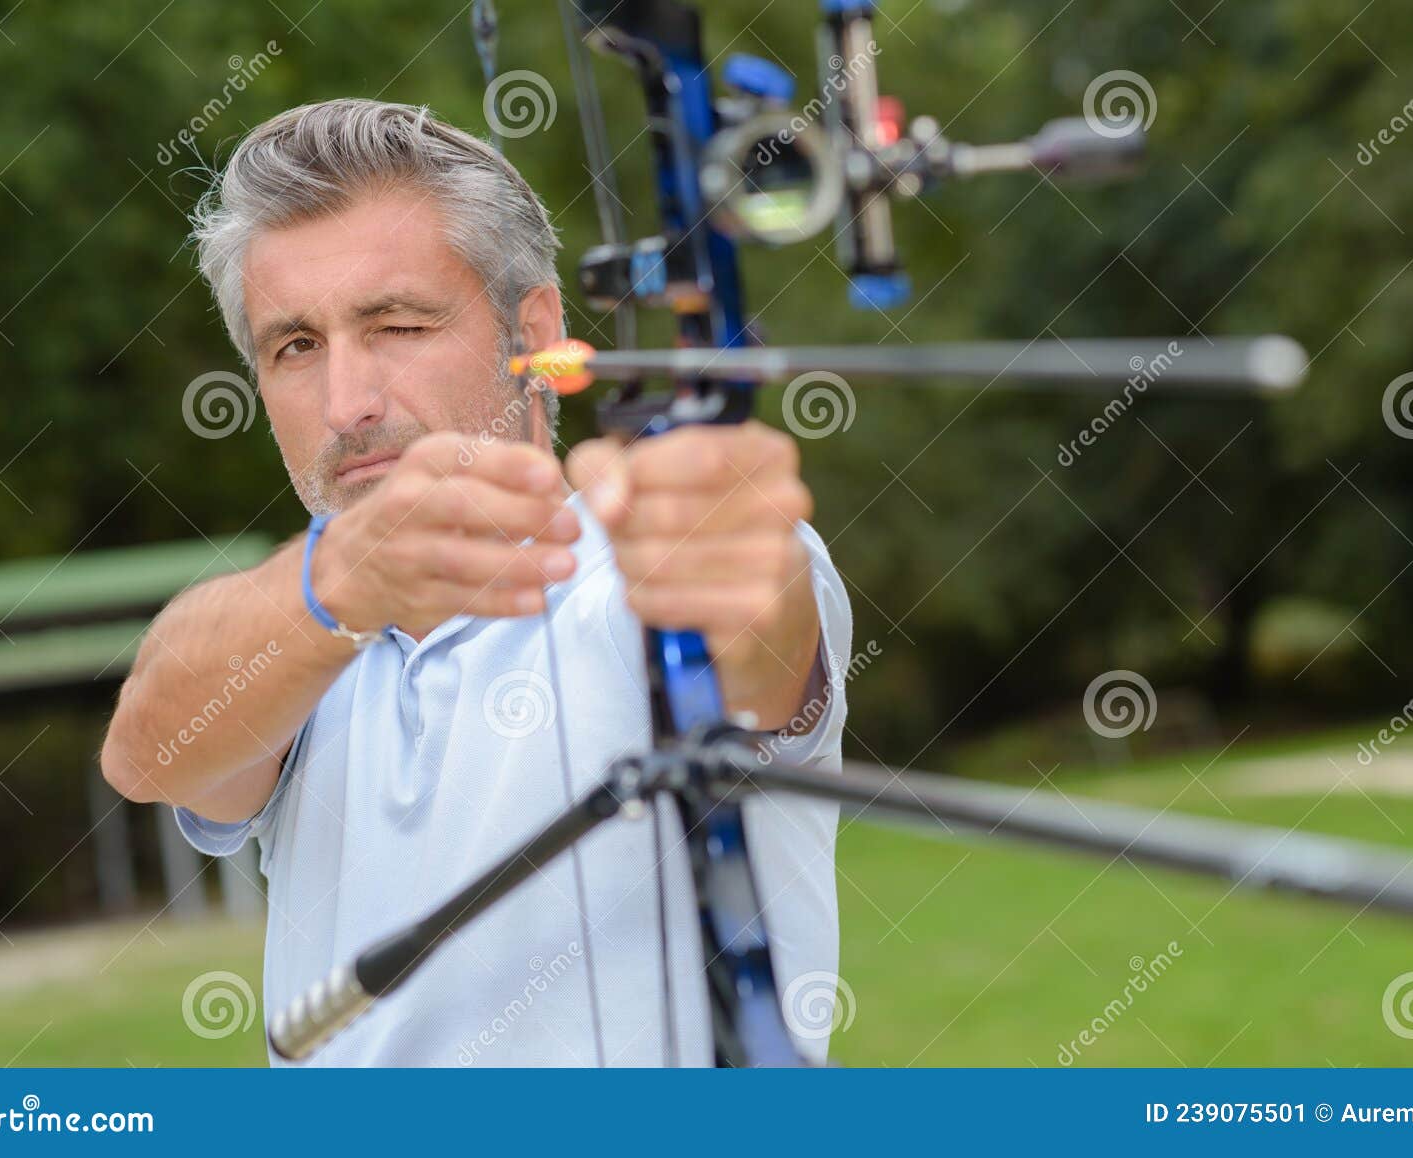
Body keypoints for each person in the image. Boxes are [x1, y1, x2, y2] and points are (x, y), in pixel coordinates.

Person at [101, 98, 852, 1066]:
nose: (346, 404)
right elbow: (149, 754)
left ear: (533, 327)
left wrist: (732, 531)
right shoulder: (303, 623)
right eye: (294, 347)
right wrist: (338, 587)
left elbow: (756, 639)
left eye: (399, 325)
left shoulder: (658, 562)